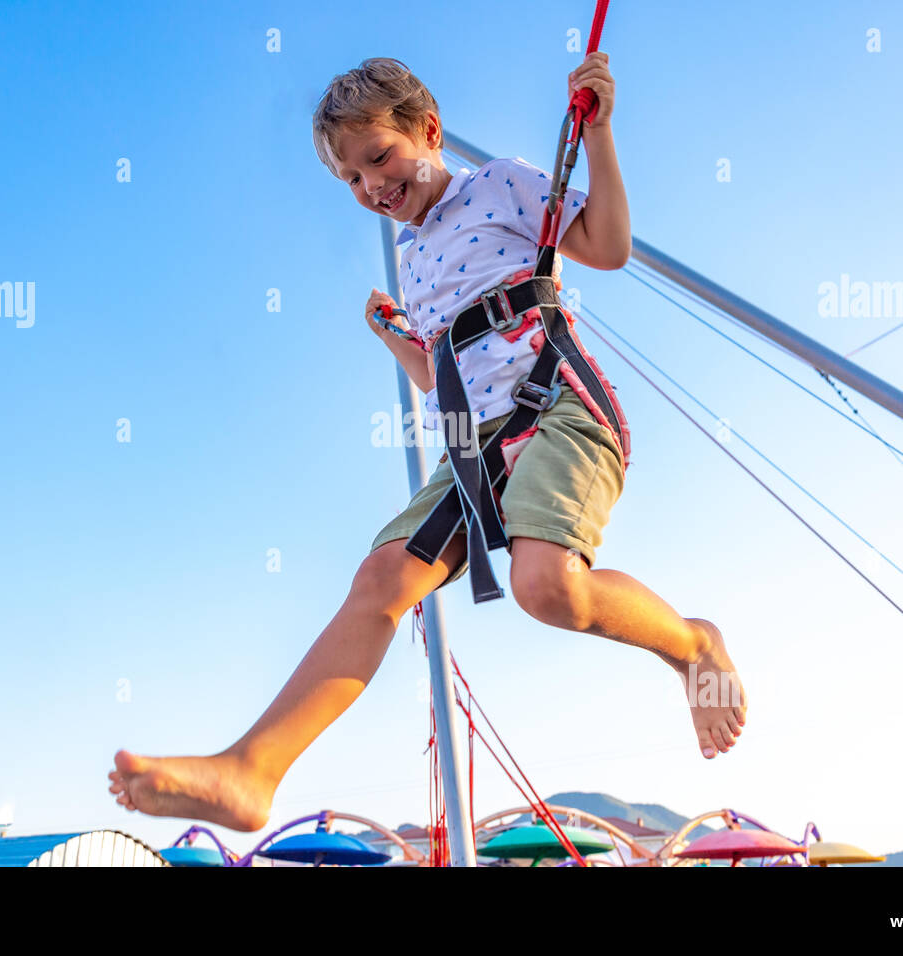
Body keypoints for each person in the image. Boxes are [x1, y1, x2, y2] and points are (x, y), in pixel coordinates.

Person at [109, 54, 745, 832]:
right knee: (381, 578)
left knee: (547, 588)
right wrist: (397, 341)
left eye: (378, 157)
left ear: (429, 132)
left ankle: (692, 645)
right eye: (351, 179)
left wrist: (601, 134)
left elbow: (606, 246)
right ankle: (253, 769)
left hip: (560, 409)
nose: (372, 186)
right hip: (473, 440)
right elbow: (444, 374)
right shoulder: (412, 260)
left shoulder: (501, 184)